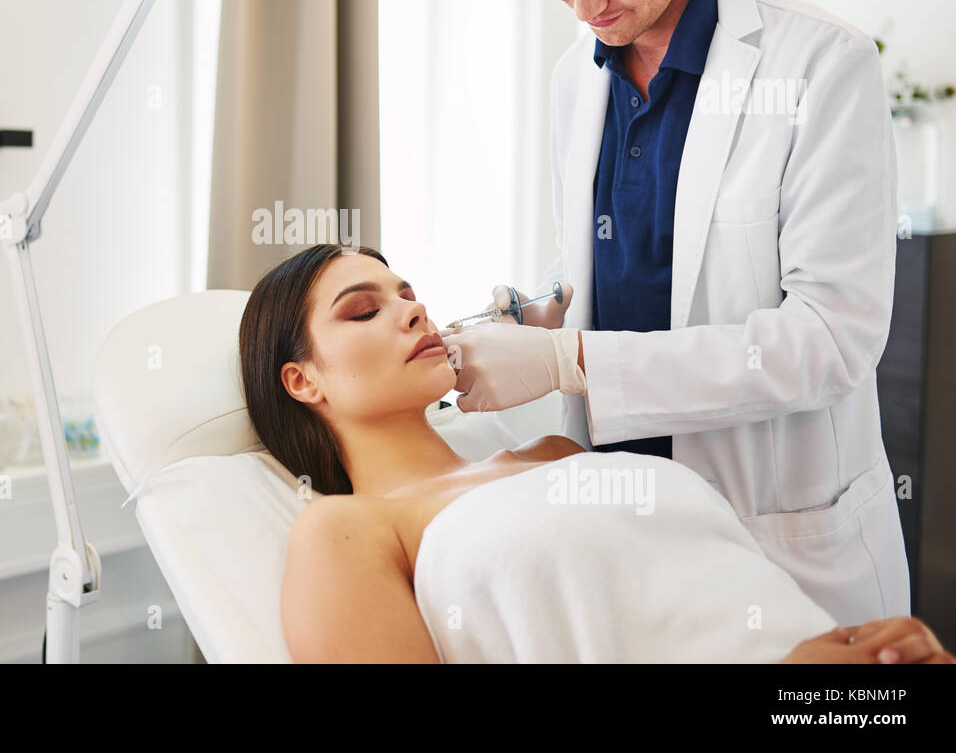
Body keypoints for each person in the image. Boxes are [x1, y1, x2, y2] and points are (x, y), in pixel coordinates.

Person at [443, 0, 907, 628]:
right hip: (619, 543)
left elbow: (830, 343)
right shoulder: (574, 80)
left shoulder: (822, 68)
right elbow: (633, 258)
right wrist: (545, 311)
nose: (585, 7)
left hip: (781, 546)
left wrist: (567, 360)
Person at [240, 244, 950, 664]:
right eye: (364, 310)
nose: (412, 311)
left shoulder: (551, 452)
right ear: (303, 379)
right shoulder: (345, 529)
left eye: (410, 294)